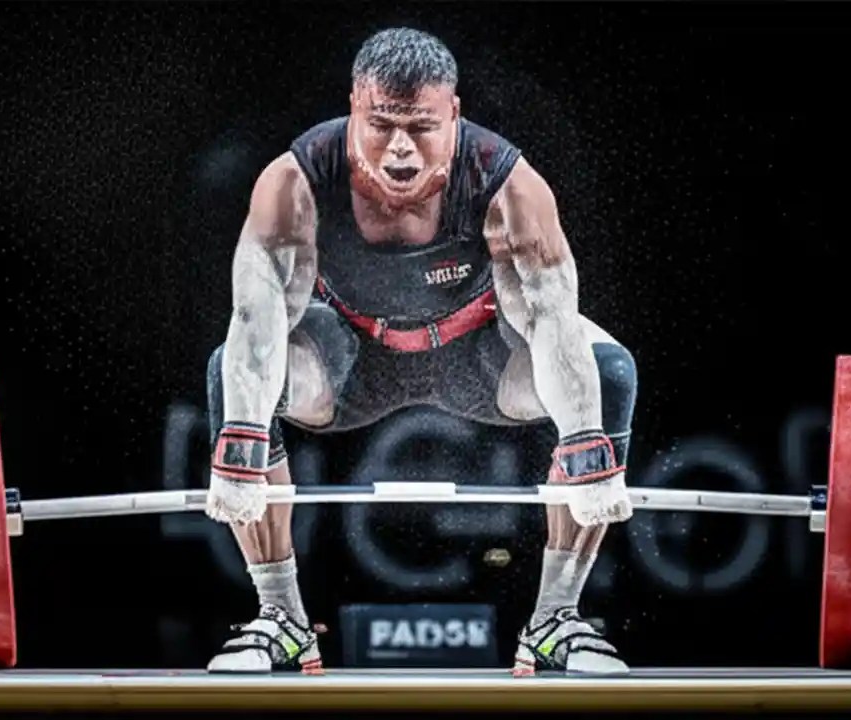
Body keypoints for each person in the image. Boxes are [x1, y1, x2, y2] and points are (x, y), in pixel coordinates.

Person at [203, 27, 637, 676]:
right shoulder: (293, 183)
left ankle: (556, 620)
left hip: (478, 361)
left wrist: (585, 448)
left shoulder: (510, 187)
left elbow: (553, 322)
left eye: (421, 127)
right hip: (350, 361)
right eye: (381, 124)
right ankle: (282, 619)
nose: (401, 149)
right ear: (354, 106)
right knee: (232, 372)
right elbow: (256, 319)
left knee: (605, 372)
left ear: (454, 115)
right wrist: (239, 443)